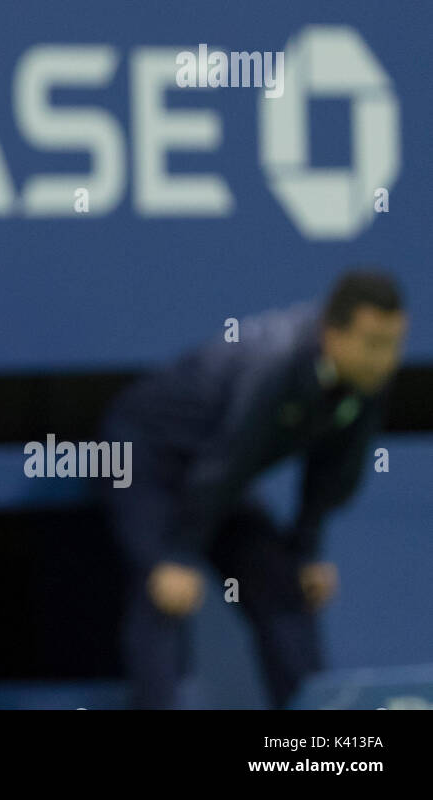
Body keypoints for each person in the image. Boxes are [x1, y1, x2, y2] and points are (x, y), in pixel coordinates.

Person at [102, 270, 407, 709]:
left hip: (215, 479)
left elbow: (329, 473)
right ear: (332, 333)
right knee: (165, 590)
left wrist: (306, 552)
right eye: (374, 343)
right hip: (143, 459)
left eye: (394, 343)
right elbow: (226, 459)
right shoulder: (276, 362)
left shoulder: (365, 380)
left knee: (285, 587)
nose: (386, 359)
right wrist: (179, 553)